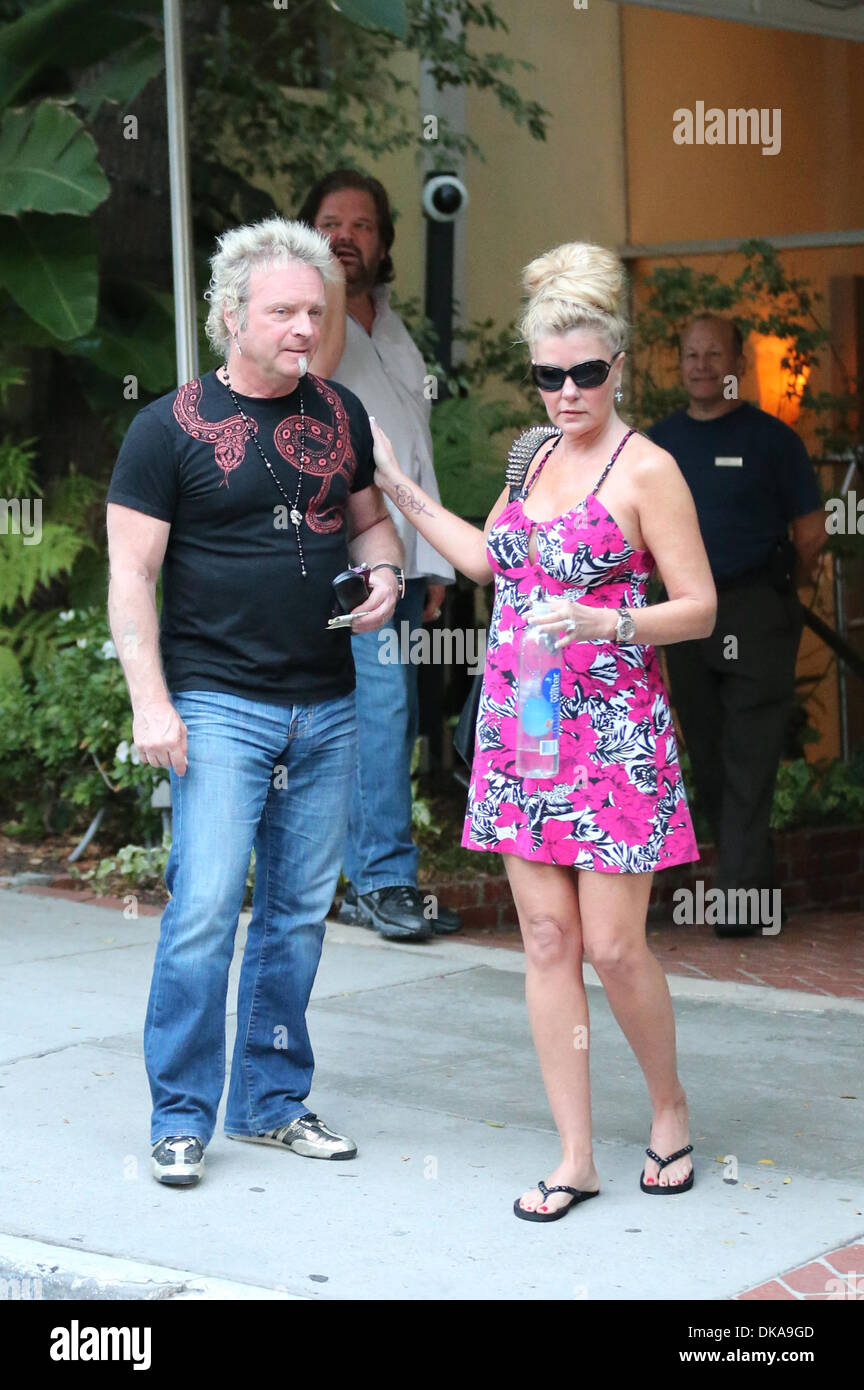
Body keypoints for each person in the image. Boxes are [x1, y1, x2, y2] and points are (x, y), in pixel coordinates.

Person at [367, 242, 717, 1219]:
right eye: (548, 375)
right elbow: (488, 562)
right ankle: (574, 1154)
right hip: (523, 727)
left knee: (612, 946)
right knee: (546, 936)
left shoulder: (648, 468)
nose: (566, 392)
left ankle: (669, 1106)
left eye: (585, 374)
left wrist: (614, 621)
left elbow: (700, 606)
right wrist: (399, 487)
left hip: (613, 732)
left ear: (617, 364)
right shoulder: (531, 456)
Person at [105, 218, 405, 1187]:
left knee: (298, 915)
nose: (304, 327)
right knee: (202, 908)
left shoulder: (343, 413)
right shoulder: (166, 428)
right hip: (219, 704)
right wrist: (152, 704)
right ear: (230, 314)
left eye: (314, 311)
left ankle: (271, 1102)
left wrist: (388, 578)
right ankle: (181, 1113)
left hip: (326, 700)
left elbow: (371, 527)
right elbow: (129, 577)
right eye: (282, 310)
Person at [296, 169, 461, 943]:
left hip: (401, 557)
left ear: (385, 242)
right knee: (381, 710)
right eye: (329, 222)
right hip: (343, 549)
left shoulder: (391, 325)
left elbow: (412, 457)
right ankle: (383, 882)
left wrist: (431, 564)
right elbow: (313, 381)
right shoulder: (312, 316)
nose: (345, 235)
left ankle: (365, 878)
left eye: (361, 225)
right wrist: (321, 280)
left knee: (377, 719)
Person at [648, 315, 824, 936]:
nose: (699, 364)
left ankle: (741, 905)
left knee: (750, 754)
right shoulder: (657, 443)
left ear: (737, 363)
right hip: (683, 614)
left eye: (712, 353)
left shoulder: (774, 440)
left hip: (756, 610)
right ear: (679, 362)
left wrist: (781, 597)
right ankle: (753, 883)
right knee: (711, 753)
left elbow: (811, 533)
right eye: (689, 353)